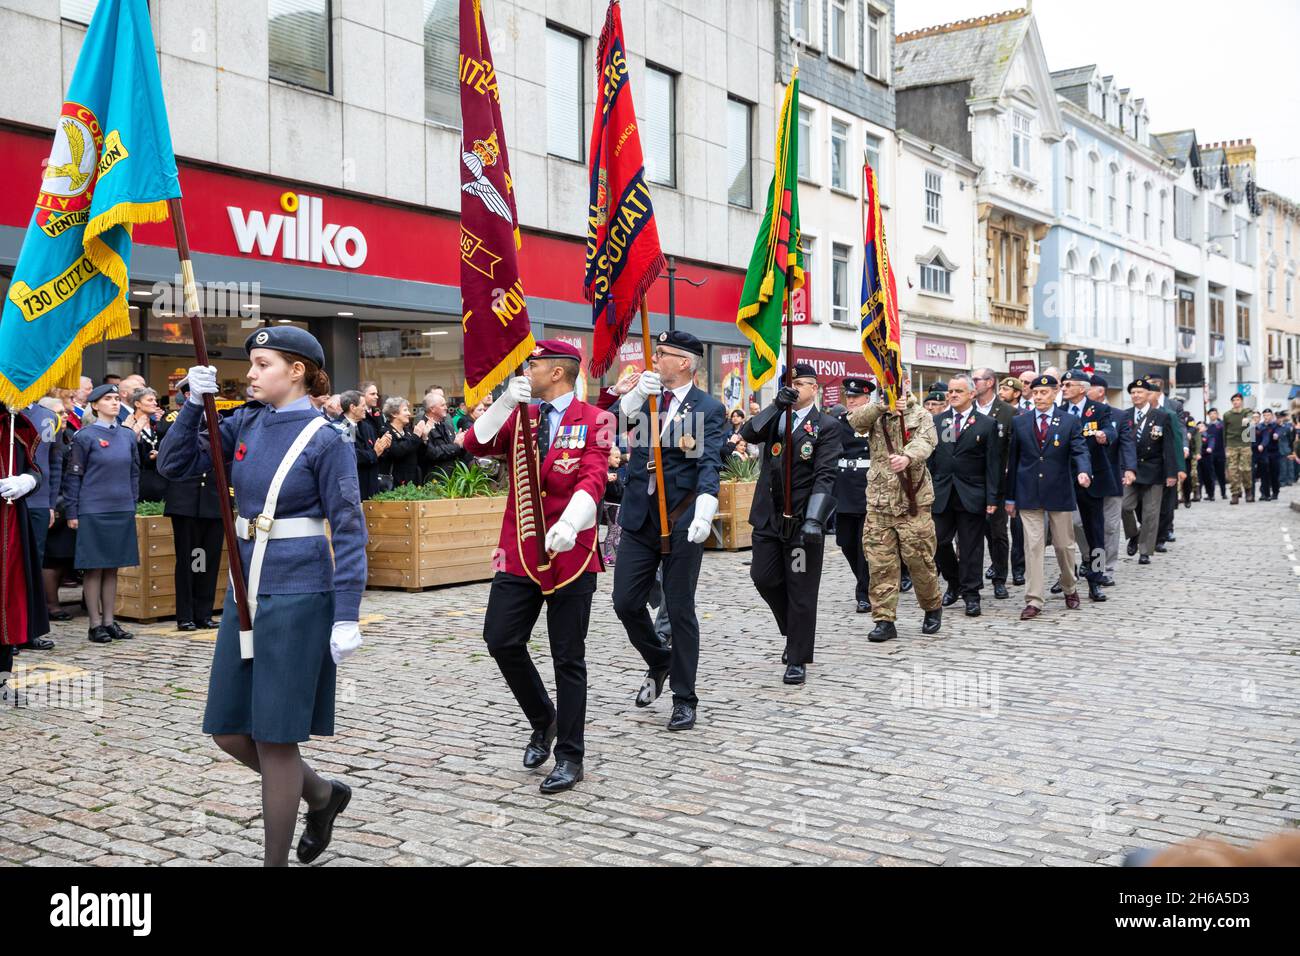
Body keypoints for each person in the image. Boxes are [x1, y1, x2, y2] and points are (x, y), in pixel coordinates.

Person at [159, 326, 366, 866]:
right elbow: (175, 467)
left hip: (300, 596)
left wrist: (347, 613)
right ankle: (322, 795)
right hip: (245, 591)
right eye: (250, 363)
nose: (249, 374)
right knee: (228, 730)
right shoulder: (245, 422)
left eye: (262, 363)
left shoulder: (328, 438)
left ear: (296, 370)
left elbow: (348, 528)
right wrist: (190, 405)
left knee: (275, 738)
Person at [462, 340, 614, 794]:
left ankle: (570, 755)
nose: (527, 368)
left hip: (571, 552)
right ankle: (542, 718)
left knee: (568, 657)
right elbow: (475, 443)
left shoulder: (596, 419)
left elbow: (594, 476)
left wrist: (572, 522)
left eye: (534, 363)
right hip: (521, 546)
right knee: (501, 640)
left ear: (558, 373)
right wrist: (506, 400)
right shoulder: (522, 415)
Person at [613, 330, 725, 722]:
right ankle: (660, 660)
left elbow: (708, 462)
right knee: (625, 602)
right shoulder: (648, 399)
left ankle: (684, 697)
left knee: (679, 609)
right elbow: (610, 424)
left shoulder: (707, 408)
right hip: (639, 516)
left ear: (684, 363)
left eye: (660, 354)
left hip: (681, 517)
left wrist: (705, 509)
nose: (653, 359)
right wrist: (631, 397)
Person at [740, 362, 840, 685]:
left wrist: (815, 518)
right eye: (789, 382)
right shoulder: (777, 419)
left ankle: (797, 657)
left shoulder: (825, 426)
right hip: (769, 518)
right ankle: (791, 630)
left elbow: (825, 475)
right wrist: (775, 404)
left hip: (800, 523)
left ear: (814, 388)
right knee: (764, 577)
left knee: (801, 588)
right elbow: (748, 433)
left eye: (800, 382)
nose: (794, 387)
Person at [847, 379, 943, 643]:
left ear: (907, 383)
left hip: (912, 502)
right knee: (880, 565)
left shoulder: (920, 414)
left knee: (920, 561)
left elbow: (927, 441)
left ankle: (932, 607)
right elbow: (855, 421)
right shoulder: (875, 413)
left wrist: (908, 457)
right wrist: (882, 407)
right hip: (879, 502)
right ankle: (884, 619)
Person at [1003, 374, 1091, 620]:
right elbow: (1014, 460)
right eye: (1036, 393)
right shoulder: (1021, 422)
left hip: (1059, 492)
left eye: (1044, 393)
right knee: (1033, 547)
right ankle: (1034, 600)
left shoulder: (1069, 421)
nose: (1039, 397)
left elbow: (1079, 449)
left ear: (1055, 393)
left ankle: (1070, 587)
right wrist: (1010, 497)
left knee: (1064, 546)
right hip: (1028, 493)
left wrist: (1084, 471)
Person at [62, 384, 140, 644]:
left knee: (113, 568)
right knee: (94, 568)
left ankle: (109, 620)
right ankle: (95, 624)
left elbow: (134, 473)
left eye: (117, 398)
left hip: (121, 508)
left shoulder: (128, 435)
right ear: (95, 405)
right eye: (108, 399)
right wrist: (72, 511)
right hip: (94, 509)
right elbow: (74, 476)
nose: (115, 403)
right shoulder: (84, 436)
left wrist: (132, 502)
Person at [156, 378, 228, 631]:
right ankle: (185, 615)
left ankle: (204, 612)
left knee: (207, 560)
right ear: (187, 396)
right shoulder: (176, 419)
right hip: (186, 502)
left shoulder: (220, 421)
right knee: (188, 560)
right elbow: (168, 439)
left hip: (212, 501)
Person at [929, 374, 1001, 617]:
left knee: (971, 547)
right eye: (950, 391)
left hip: (972, 493)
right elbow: (930, 459)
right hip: (942, 492)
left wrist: (992, 498)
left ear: (972, 394)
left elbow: (993, 465)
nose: (953, 395)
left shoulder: (986, 424)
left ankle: (972, 594)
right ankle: (954, 580)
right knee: (937, 541)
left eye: (959, 391)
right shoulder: (937, 421)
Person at [0, 403, 52, 674]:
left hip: (9, 526)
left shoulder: (16, 425)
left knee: (8, 598)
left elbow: (36, 470)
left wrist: (27, 482)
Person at [1058, 370, 1115, 602]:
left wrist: (1104, 435)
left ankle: (1096, 578)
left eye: (1068, 385)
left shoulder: (1098, 409)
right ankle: (1066, 576)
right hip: (1064, 478)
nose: (1063, 388)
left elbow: (1110, 429)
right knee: (1062, 532)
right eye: (1062, 384)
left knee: (1096, 533)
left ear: (1082, 388)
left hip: (1092, 478)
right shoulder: (1059, 412)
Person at [1119, 379, 1178, 565]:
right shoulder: (1124, 416)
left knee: (1151, 513)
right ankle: (1134, 535)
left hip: (1154, 471)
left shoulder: (1161, 416)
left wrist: (1171, 473)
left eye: (1140, 392)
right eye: (1133, 392)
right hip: (1131, 470)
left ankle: (1145, 551)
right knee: (1125, 507)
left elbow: (1168, 446)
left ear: (1148, 394)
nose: (1136, 395)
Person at [21, 396, 62, 649]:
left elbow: (54, 463)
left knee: (33, 564)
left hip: (37, 500)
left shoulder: (48, 417)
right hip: (8, 498)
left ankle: (29, 628)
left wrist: (50, 503)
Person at [832, 378, 876, 613]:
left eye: (855, 397)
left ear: (867, 399)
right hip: (845, 488)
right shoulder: (838, 423)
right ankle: (863, 580)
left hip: (870, 487)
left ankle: (864, 592)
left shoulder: (877, 422)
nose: (850, 401)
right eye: (848, 397)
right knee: (847, 543)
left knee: (864, 545)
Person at [973, 368, 1016, 599]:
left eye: (976, 380)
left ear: (989, 382)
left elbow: (1014, 446)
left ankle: (1000, 578)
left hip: (997, 482)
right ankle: (969, 581)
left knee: (997, 534)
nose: (974, 384)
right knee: (969, 535)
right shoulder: (967, 409)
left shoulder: (1008, 412)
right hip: (969, 481)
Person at [1088, 375, 1132, 582]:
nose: (1086, 391)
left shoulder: (1119, 415)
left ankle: (1104, 569)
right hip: (1084, 479)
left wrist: (1130, 469)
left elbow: (1127, 444)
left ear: (1100, 391)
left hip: (1111, 478)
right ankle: (1091, 559)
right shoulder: (1078, 414)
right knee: (1078, 524)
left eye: (1090, 387)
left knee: (1109, 527)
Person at [340, 389, 388, 498]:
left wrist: (383, 446)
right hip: (354, 489)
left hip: (371, 487)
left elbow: (377, 452)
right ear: (352, 408)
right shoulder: (340, 427)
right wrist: (374, 453)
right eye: (363, 406)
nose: (366, 409)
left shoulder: (367, 427)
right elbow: (352, 455)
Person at [126, 386, 167, 502]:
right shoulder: (128, 425)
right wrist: (149, 457)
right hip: (139, 483)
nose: (155, 403)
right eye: (150, 400)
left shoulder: (157, 425)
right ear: (137, 404)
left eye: (155, 400)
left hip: (160, 482)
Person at [416, 392, 465, 482]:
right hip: (435, 480)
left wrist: (461, 441)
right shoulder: (422, 427)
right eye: (442, 405)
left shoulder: (447, 426)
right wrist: (456, 445)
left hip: (452, 477)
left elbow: (455, 451)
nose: (446, 408)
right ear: (432, 409)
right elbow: (433, 453)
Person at [378, 396, 422, 489]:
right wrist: (416, 437)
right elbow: (397, 451)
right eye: (405, 410)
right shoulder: (386, 431)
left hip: (412, 481)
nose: (409, 413)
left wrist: (424, 437)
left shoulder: (408, 431)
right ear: (394, 413)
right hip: (395, 483)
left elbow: (418, 453)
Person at [1222, 393, 1253, 504]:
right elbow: (1224, 431)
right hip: (1231, 445)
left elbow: (1250, 425)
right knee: (1232, 471)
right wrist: (1225, 447)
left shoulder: (1247, 412)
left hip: (1245, 444)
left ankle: (1248, 491)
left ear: (1242, 401)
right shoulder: (1227, 415)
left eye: (1238, 400)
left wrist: (1250, 443)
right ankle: (1235, 493)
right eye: (1234, 400)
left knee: (1246, 469)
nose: (1236, 402)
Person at [1255, 408, 1282, 501]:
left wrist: (1277, 435)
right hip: (1263, 453)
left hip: (1274, 453)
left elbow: (1279, 431)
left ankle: (1275, 492)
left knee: (1274, 474)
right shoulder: (1260, 426)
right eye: (1265, 415)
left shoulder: (1275, 425)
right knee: (1264, 474)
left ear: (1272, 416)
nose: (1266, 417)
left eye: (1268, 415)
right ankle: (1264, 493)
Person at [1199, 410, 1224, 501]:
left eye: (1214, 413)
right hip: (1206, 455)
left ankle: (1223, 492)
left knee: (1220, 474)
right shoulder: (1208, 427)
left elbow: (1213, 440)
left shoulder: (1222, 425)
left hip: (1220, 452)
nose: (1212, 415)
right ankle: (1204, 494)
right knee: (1206, 475)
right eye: (1210, 414)